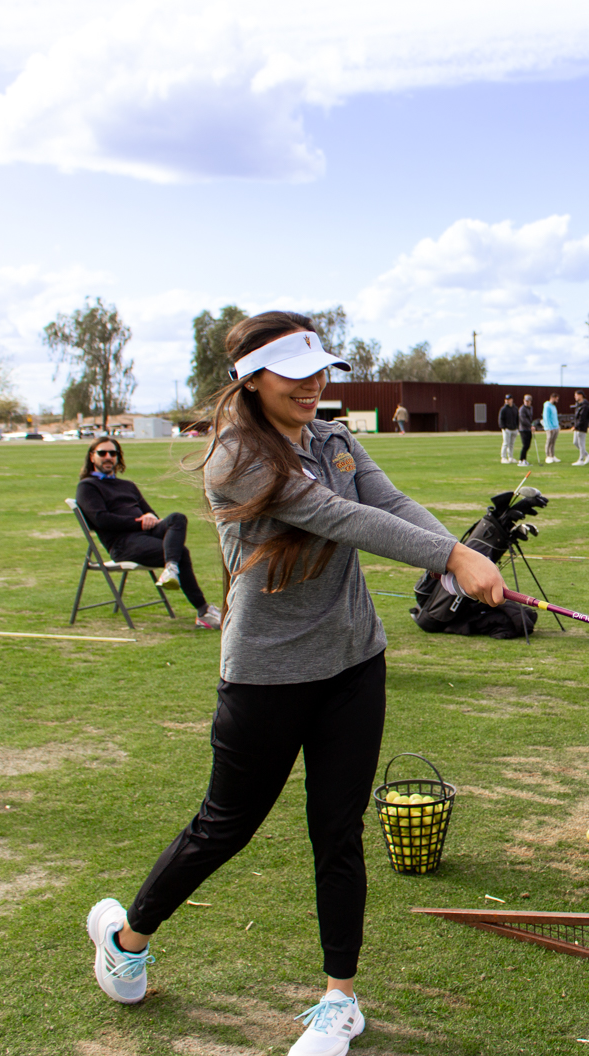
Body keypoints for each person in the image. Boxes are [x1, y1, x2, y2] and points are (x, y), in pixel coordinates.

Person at [84, 311, 506, 1056]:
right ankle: (126, 938)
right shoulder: (236, 458)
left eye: (320, 371)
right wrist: (450, 558)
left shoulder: (334, 438)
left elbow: (388, 503)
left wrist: (457, 553)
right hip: (268, 674)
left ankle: (340, 1000)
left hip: (353, 663)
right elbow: (336, 517)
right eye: (294, 373)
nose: (313, 385)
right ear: (251, 380)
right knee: (226, 826)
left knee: (336, 832)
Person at [75, 438, 222, 630]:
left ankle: (171, 569)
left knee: (177, 518)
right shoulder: (88, 486)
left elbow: (151, 514)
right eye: (102, 453)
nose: (108, 457)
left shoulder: (128, 486)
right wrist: (139, 522)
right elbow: (101, 520)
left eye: (113, 453)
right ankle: (203, 611)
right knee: (181, 553)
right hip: (123, 544)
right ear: (92, 457)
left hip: (146, 535)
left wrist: (150, 517)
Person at [570, 390, 589, 465]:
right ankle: (587, 455)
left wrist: (576, 426)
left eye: (576, 395)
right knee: (575, 442)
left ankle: (581, 460)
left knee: (581, 443)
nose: (575, 397)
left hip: (582, 427)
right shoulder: (578, 405)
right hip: (577, 427)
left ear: (581, 395)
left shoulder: (585, 406)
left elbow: (582, 418)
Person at [497, 395, 520, 464]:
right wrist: (503, 427)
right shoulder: (503, 409)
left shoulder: (515, 408)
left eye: (508, 399)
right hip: (507, 429)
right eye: (506, 399)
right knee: (506, 443)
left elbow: (517, 418)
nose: (507, 400)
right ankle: (503, 457)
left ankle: (510, 457)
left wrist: (517, 427)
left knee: (511, 444)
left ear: (511, 400)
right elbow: (501, 419)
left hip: (514, 429)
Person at [542, 393, 562, 463]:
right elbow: (546, 417)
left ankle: (552, 455)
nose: (557, 400)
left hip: (555, 427)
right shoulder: (547, 406)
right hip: (550, 428)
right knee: (549, 441)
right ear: (553, 398)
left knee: (553, 442)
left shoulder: (554, 406)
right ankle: (548, 456)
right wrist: (549, 427)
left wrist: (557, 425)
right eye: (556, 398)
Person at [517, 394, 535, 467]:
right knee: (525, 445)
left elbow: (530, 418)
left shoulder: (530, 408)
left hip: (528, 429)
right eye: (526, 401)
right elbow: (523, 420)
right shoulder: (522, 409)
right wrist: (530, 425)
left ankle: (524, 459)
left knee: (528, 445)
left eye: (528, 401)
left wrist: (532, 424)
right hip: (523, 429)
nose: (527, 402)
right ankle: (521, 460)